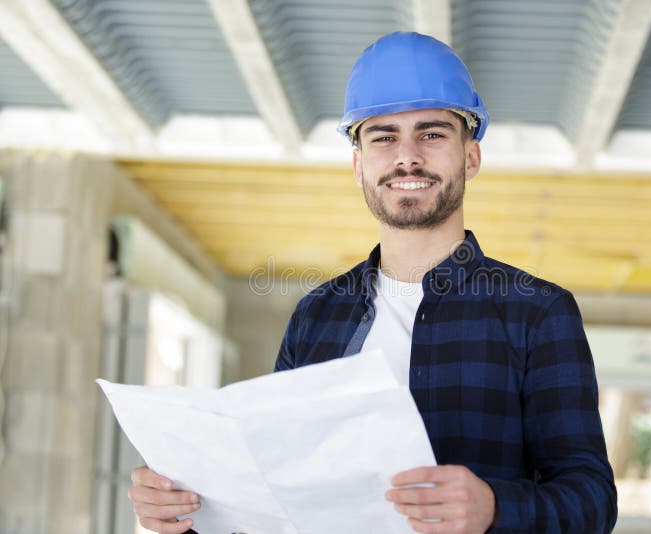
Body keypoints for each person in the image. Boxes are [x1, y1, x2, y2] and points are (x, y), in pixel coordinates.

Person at [129, 32, 617, 534]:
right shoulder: (316, 317)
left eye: (432, 134)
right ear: (360, 163)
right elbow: (274, 497)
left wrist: (494, 508)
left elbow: (591, 500)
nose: (407, 157)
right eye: (383, 137)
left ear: (471, 156)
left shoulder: (537, 312)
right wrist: (182, 516)